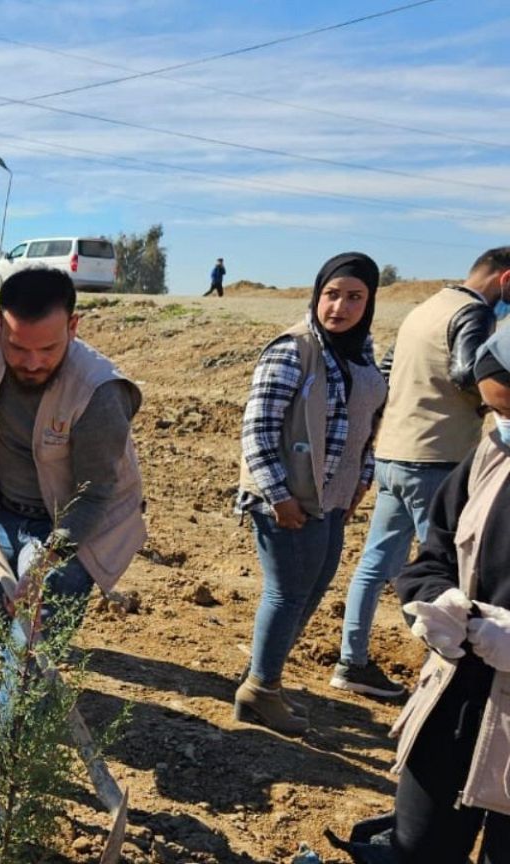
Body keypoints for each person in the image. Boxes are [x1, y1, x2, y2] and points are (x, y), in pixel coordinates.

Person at [333, 247, 509, 699]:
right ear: (505, 279)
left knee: (376, 563)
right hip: (438, 458)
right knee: (456, 573)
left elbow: (387, 371)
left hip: (395, 451)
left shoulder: (425, 308)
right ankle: (450, 675)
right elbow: (469, 372)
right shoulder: (473, 314)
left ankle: (351, 661)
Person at [0, 267, 146, 631]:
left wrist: (46, 564)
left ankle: (24, 687)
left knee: (31, 648)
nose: (31, 363)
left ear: (72, 327)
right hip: (5, 511)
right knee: (4, 631)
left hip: (68, 526)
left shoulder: (100, 394)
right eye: (17, 347)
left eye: (47, 349)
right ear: (1, 326)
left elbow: (92, 497)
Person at [232, 252, 386, 737]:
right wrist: (279, 496)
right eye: (331, 294)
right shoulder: (292, 350)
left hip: (333, 501)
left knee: (310, 592)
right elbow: (257, 431)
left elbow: (367, 424)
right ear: (317, 294)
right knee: (287, 592)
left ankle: (265, 678)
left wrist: (363, 478)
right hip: (290, 500)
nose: (339, 306)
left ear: (370, 301)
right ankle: (259, 690)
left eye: (354, 297)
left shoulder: (361, 353)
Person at [385, 333, 510, 862]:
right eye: (496, 412)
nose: (502, 426)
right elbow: (434, 551)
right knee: (419, 846)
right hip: (456, 701)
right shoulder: (492, 452)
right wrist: (434, 602)